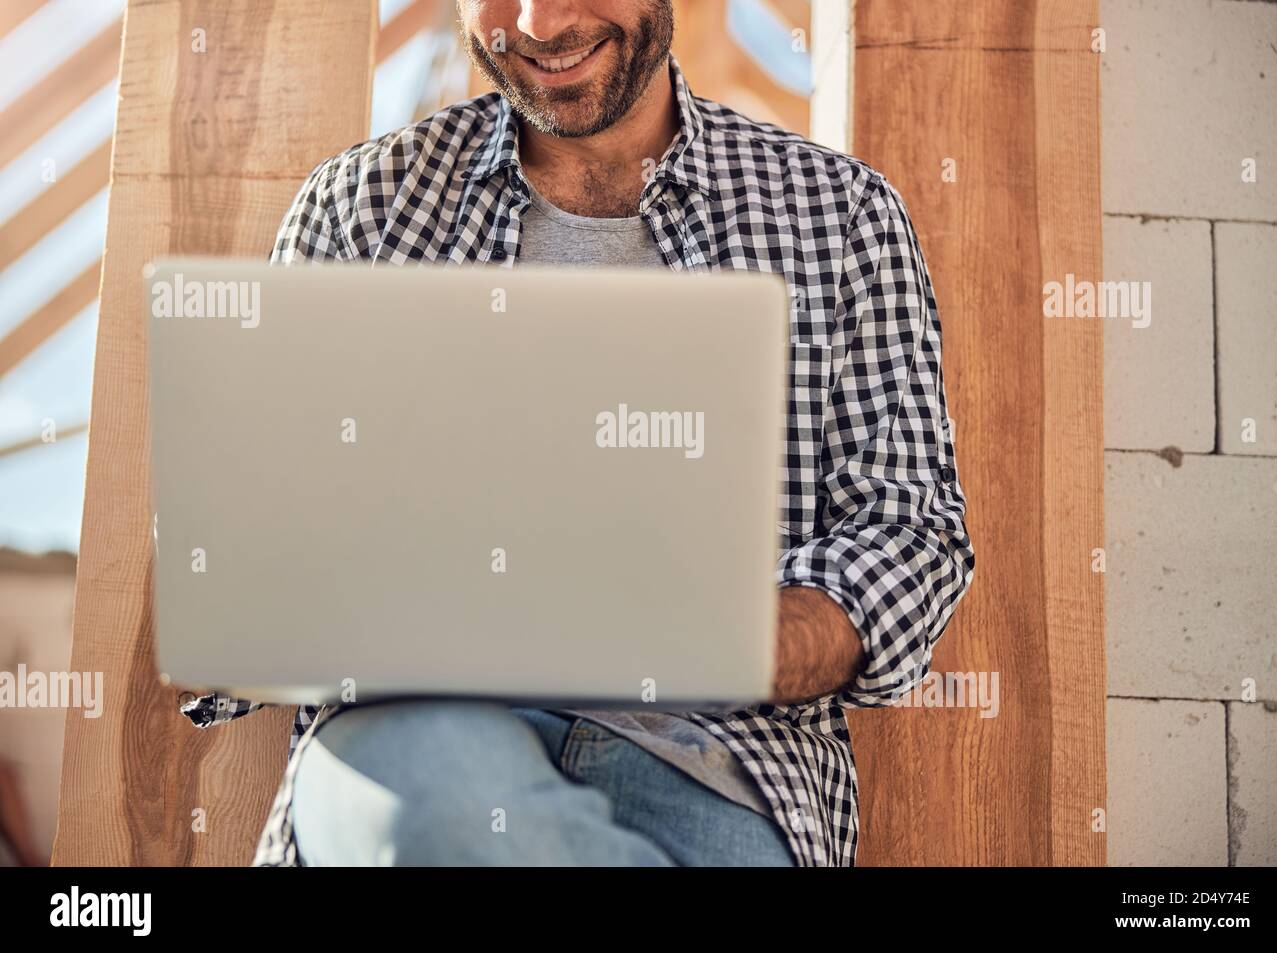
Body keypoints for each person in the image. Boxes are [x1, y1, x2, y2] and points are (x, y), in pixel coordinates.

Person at [182, 0, 974, 867]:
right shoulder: (359, 210)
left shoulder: (840, 217)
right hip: (427, 738)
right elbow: (240, 577)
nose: (538, 21)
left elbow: (910, 539)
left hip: (717, 763)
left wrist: (722, 639)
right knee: (429, 806)